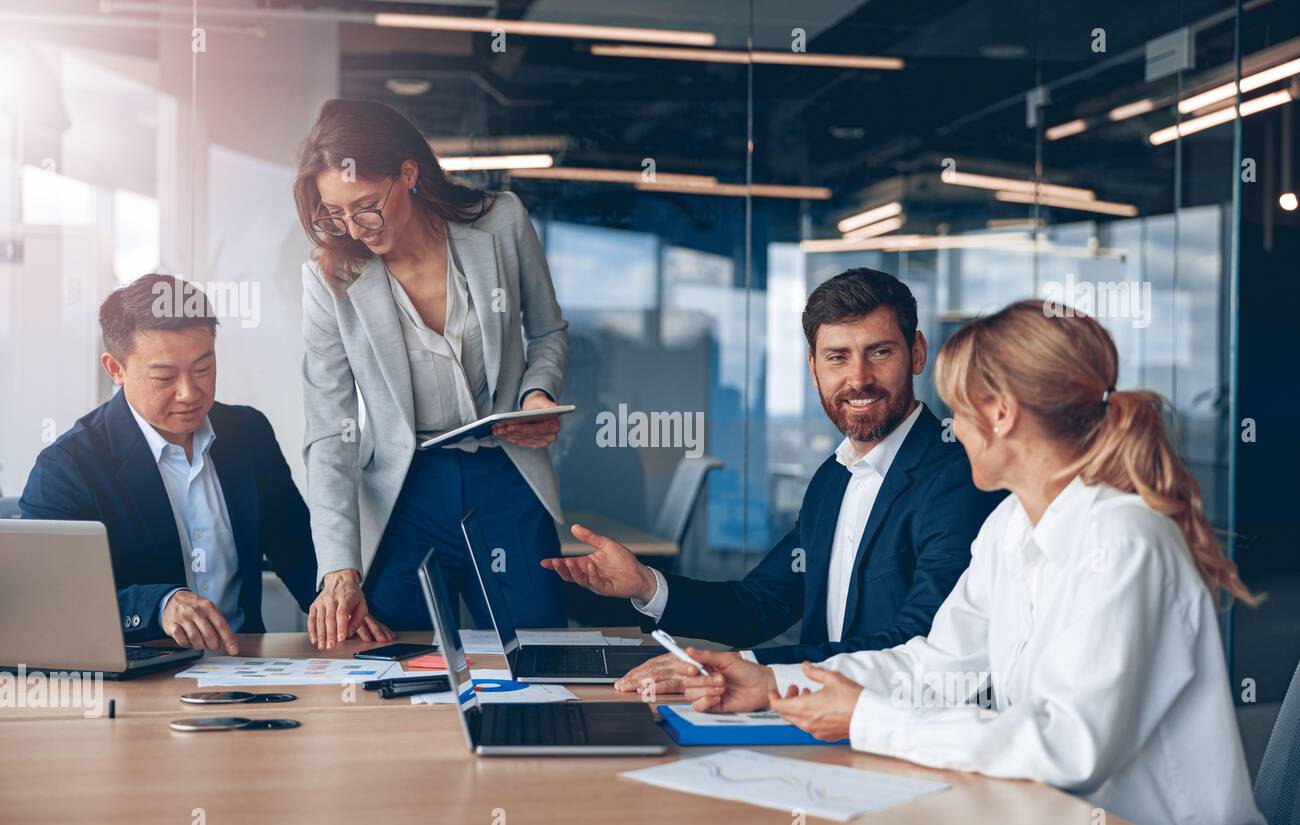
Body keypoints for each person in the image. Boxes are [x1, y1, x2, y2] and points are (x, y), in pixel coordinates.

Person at [668, 300, 1267, 825]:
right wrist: (774, 682)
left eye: (958, 409)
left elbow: (1067, 749)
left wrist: (867, 719)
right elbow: (935, 665)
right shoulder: (1011, 524)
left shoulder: (1123, 540)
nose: (951, 427)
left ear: (1001, 414)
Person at [542, 268, 1002, 692]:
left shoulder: (958, 478)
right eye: (837, 357)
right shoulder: (834, 478)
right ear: (813, 367)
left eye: (879, 352)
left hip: (897, 729)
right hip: (819, 718)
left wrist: (743, 668)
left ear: (917, 353)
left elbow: (916, 643)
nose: (858, 378)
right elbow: (760, 605)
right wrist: (647, 585)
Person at [294, 99, 569, 650]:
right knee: (389, 660)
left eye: (367, 206)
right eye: (336, 213)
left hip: (505, 476)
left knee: (538, 653)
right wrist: (339, 568)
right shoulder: (330, 278)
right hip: (405, 493)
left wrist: (538, 393)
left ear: (409, 174)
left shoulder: (501, 221)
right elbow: (329, 433)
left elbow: (549, 333)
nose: (354, 228)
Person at [18, 274, 350, 654]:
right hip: (143, 673)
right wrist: (159, 606)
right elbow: (53, 597)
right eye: (164, 376)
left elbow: (294, 546)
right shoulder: (67, 467)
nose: (190, 393)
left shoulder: (248, 433)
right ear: (115, 369)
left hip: (247, 666)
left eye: (203, 369)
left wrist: (335, 601)